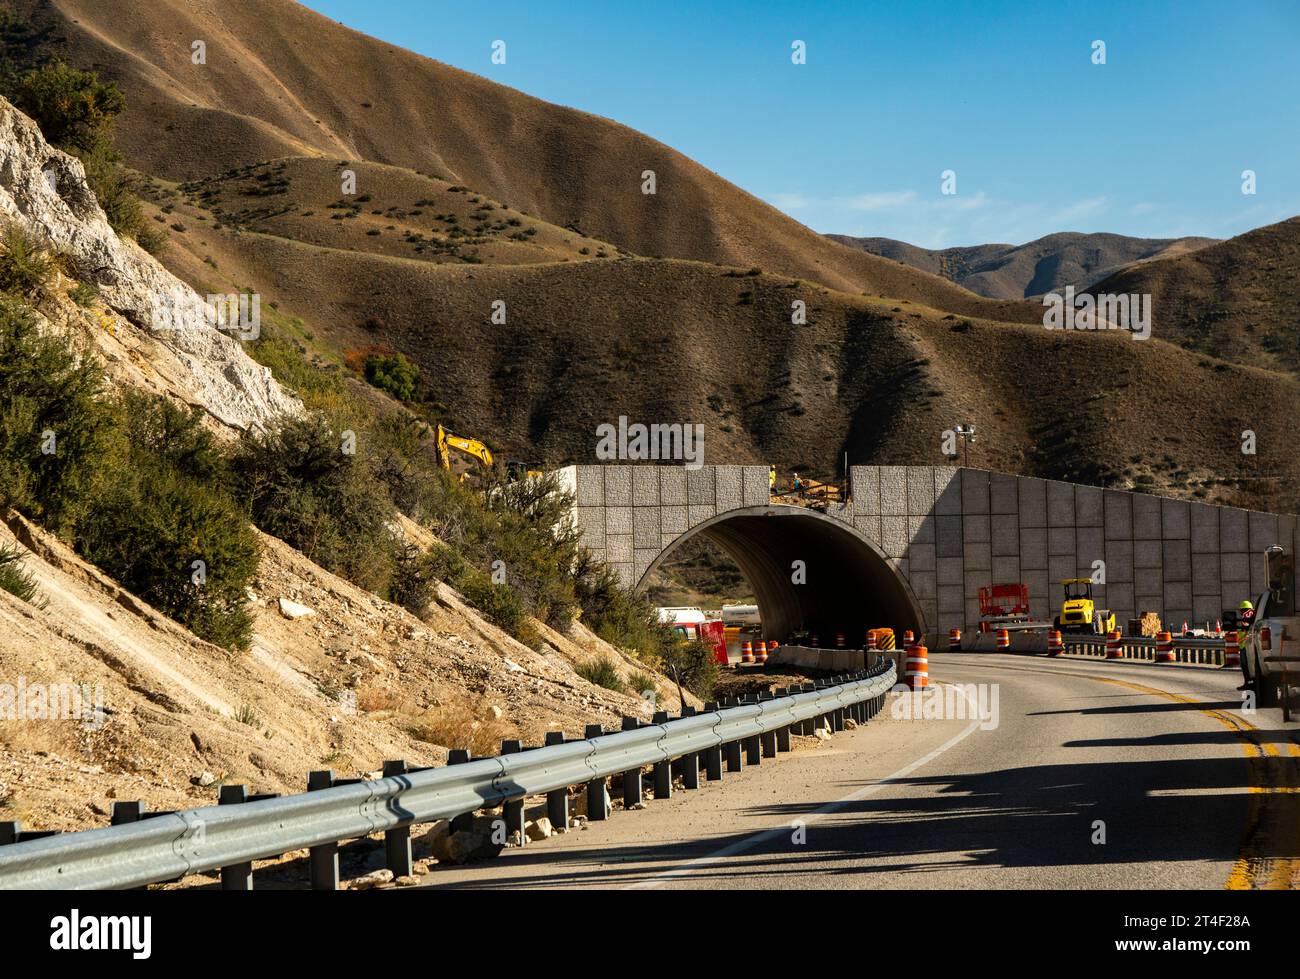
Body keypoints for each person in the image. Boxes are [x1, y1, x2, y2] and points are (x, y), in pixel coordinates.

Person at [1236, 599, 1256, 690]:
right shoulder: (1248, 618)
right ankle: (1248, 683)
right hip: (1245, 645)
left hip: (1246, 646)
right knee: (1246, 666)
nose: (1241, 612)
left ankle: (1248, 684)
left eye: (1242, 610)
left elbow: (1247, 629)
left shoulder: (1247, 619)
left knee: (1245, 666)